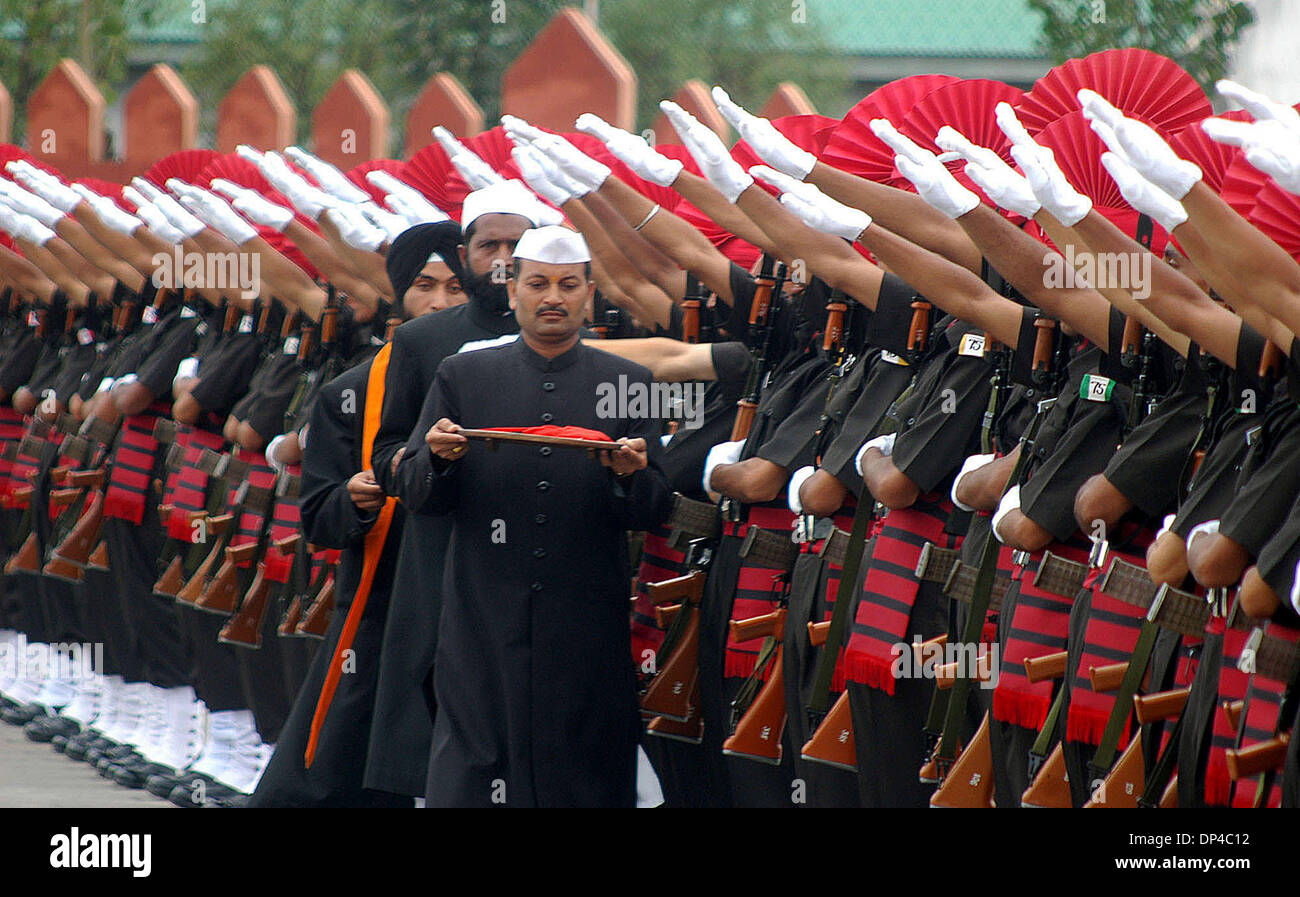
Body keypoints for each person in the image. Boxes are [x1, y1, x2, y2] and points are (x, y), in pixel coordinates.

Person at [398, 225, 672, 807]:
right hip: (481, 616)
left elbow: (655, 507)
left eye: (568, 285)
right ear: (514, 291)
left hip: (586, 619)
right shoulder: (462, 376)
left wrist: (628, 475)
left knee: (582, 765)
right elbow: (418, 493)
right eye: (539, 284)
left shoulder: (629, 384)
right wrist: (440, 461)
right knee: (478, 761)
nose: (554, 297)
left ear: (589, 294)